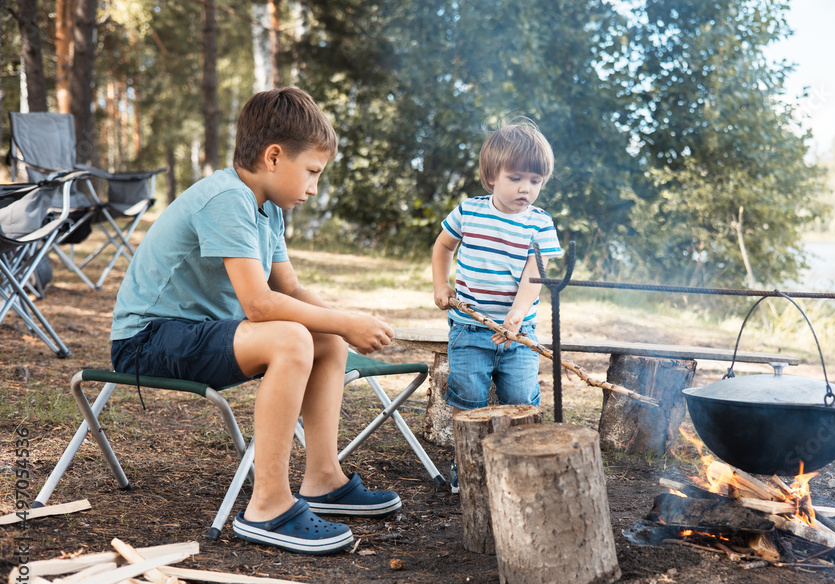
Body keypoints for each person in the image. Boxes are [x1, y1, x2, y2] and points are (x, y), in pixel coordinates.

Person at [110, 87, 400, 555]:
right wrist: (346, 319)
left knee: (325, 340)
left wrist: (343, 323)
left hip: (196, 334)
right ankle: (267, 506)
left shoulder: (268, 209)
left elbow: (292, 289)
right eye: (312, 172)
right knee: (290, 340)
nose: (313, 187)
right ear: (273, 157)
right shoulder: (227, 197)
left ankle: (323, 478)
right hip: (148, 340)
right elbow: (261, 306)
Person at [431, 120, 562, 492]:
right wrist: (441, 284)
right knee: (469, 401)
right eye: (516, 177)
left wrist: (517, 316)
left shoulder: (540, 224)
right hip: (470, 329)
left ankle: (522, 465)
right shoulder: (469, 212)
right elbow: (442, 247)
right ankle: (467, 465)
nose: (526, 188)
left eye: (535, 181)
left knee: (520, 399)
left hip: (518, 334)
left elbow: (533, 276)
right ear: (491, 176)